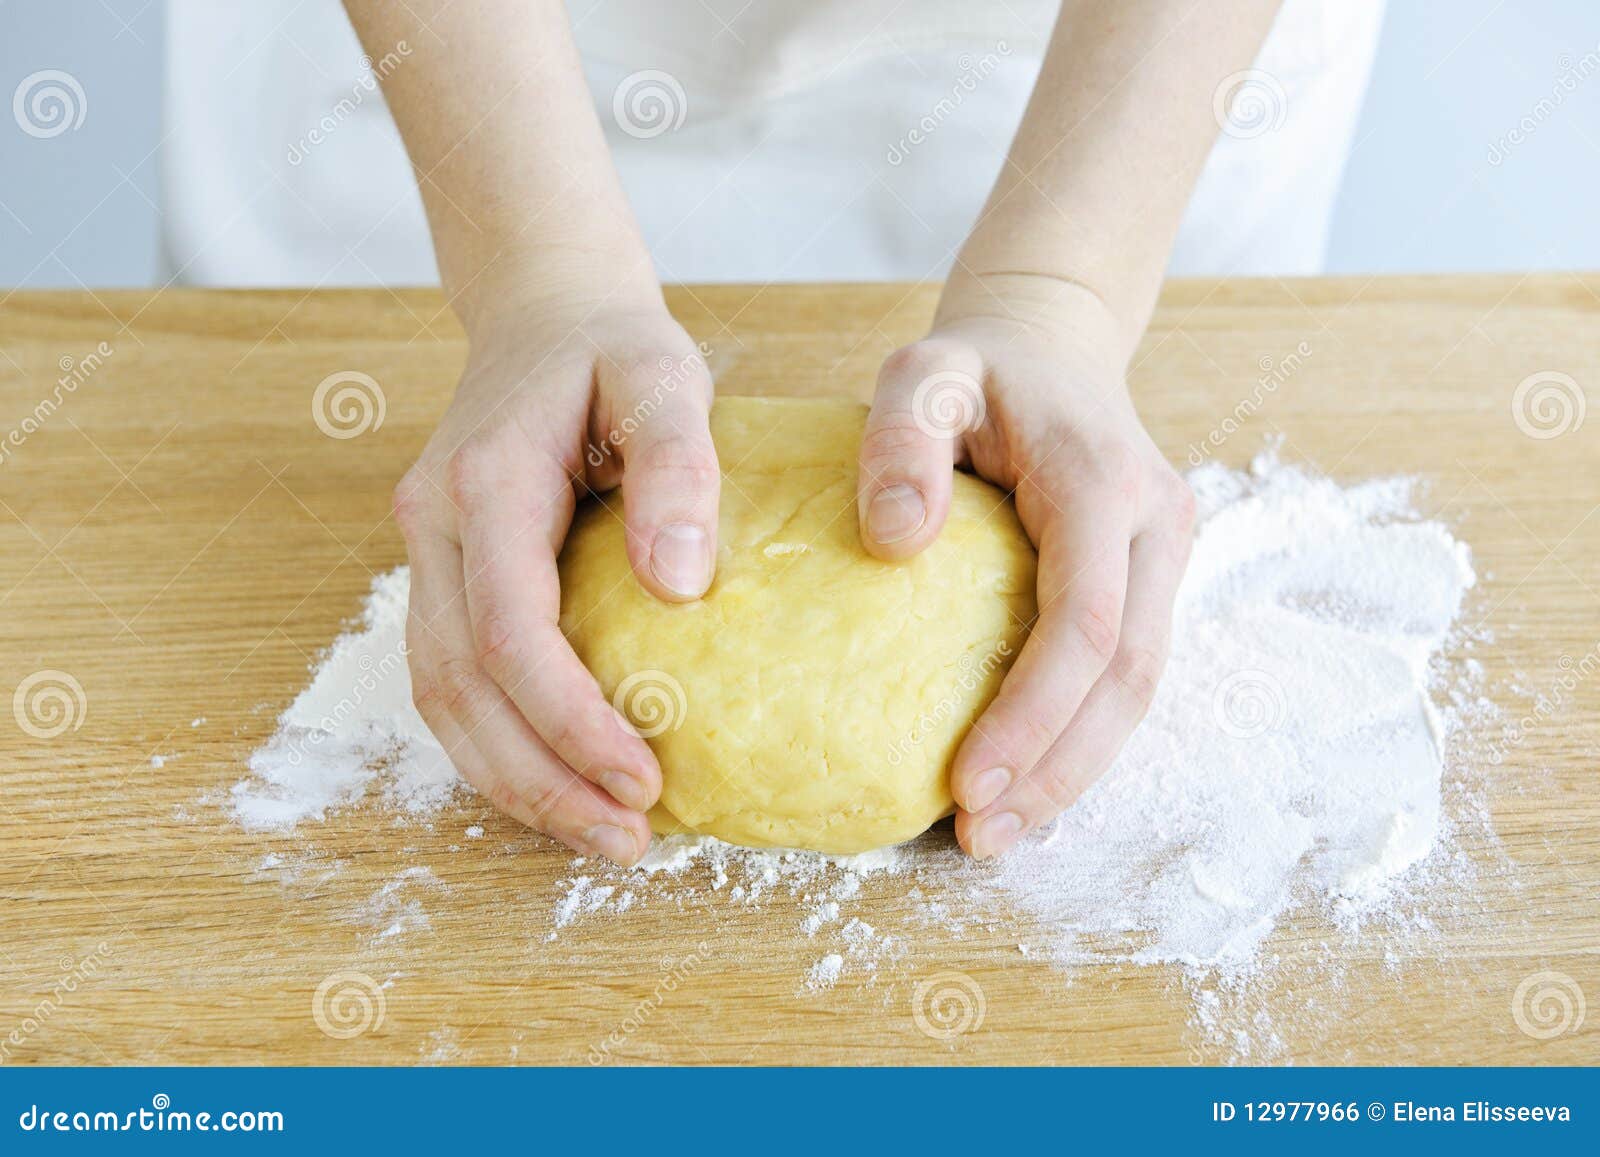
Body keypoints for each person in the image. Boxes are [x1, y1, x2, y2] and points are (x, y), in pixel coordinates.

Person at [165, 0, 1385, 866]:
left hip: (1103, 83)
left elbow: (1072, 288)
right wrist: (534, 271)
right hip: (451, 77)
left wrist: (1061, 293)